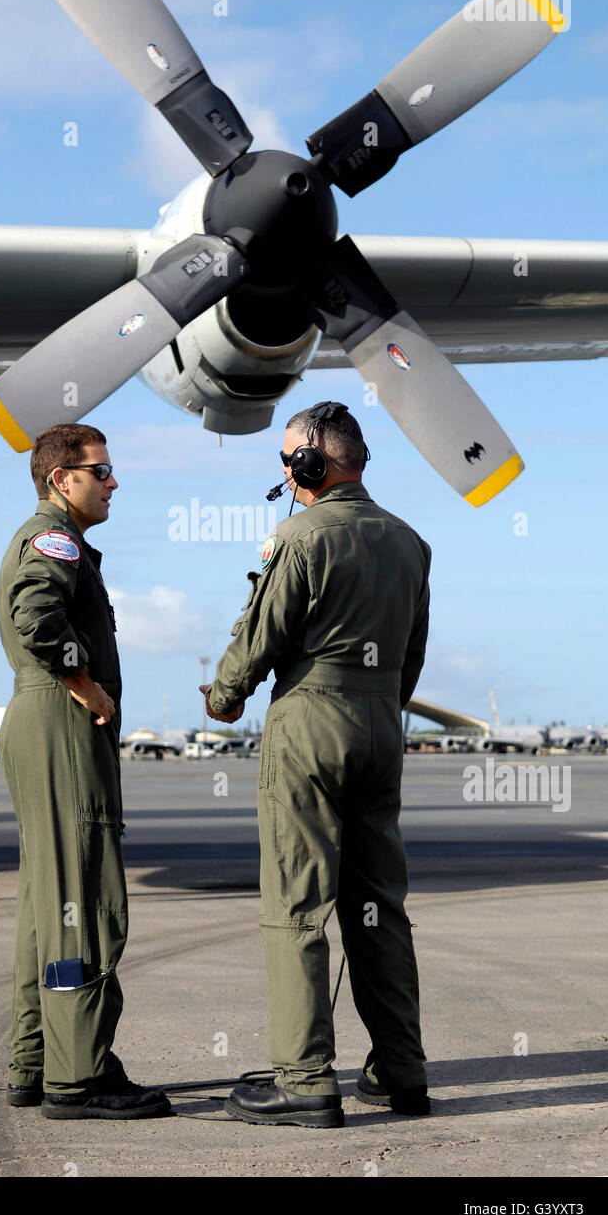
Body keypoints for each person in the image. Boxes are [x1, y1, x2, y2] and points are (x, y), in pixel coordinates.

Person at [200, 401, 432, 1128]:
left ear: (310, 464)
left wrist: (224, 694)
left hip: (311, 720)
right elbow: (411, 654)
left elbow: (264, 635)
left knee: (296, 906)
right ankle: (400, 1073)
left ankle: (303, 1081)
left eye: (285, 458)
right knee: (378, 908)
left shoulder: (298, 537)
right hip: (379, 721)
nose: (281, 471)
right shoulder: (408, 541)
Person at [0, 421, 171, 1120]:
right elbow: (38, 619)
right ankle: (79, 1077)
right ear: (59, 480)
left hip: (37, 724)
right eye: (99, 471)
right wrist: (87, 688)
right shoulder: (55, 539)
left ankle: (35, 1062)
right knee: (83, 901)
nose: (112, 482)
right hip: (62, 727)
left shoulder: (54, 539)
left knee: (45, 906)